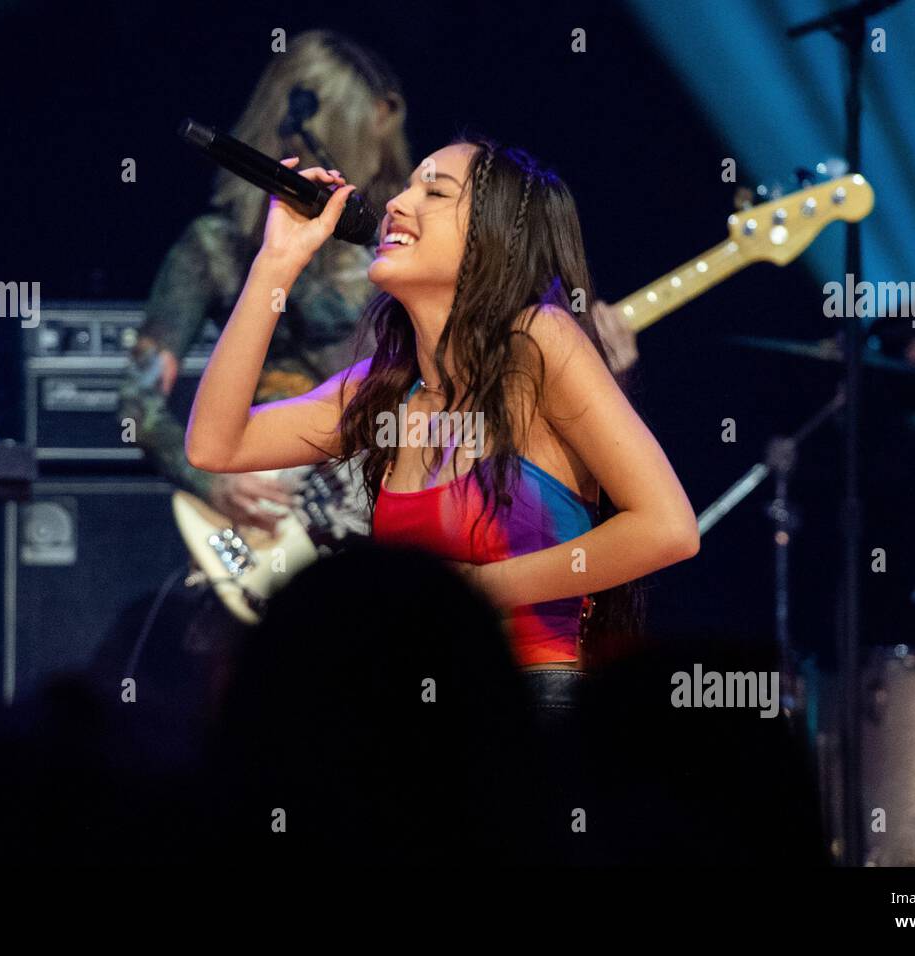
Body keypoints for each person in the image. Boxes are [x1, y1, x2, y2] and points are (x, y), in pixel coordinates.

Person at [185, 136, 699, 698]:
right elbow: (216, 445)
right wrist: (277, 262)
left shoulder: (537, 341)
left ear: (494, 235)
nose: (396, 205)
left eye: (434, 191)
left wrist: (470, 592)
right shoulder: (387, 392)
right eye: (406, 187)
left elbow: (667, 527)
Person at [119, 30, 412, 533]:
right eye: (365, 138)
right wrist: (213, 483)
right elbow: (138, 403)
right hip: (278, 508)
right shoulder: (217, 246)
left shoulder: (399, 235)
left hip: (384, 496)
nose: (378, 155)